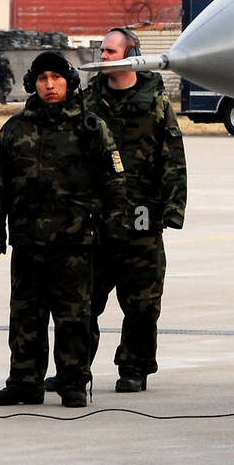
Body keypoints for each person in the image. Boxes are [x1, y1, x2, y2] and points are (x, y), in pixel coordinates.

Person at [0, 51, 128, 408]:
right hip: (28, 241)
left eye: (57, 78)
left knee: (74, 316)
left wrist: (115, 230)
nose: (50, 85)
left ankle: (73, 381)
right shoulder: (15, 129)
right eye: (43, 79)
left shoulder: (91, 128)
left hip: (75, 241)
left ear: (70, 82)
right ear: (32, 83)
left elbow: (115, 183)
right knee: (25, 315)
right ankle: (24, 382)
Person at [82, 27, 186, 393]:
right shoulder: (87, 101)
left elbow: (172, 156)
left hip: (141, 218)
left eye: (110, 51)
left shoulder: (154, 102)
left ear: (131, 55)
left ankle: (134, 367)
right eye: (102, 50)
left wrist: (173, 209)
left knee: (142, 302)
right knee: (82, 301)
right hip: (96, 219)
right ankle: (75, 369)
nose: (103, 56)